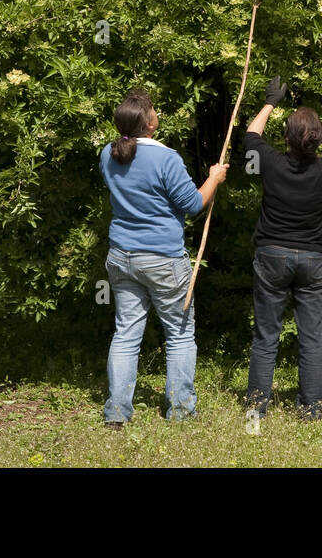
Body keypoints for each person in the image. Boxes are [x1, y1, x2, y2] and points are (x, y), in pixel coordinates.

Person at [98, 88, 228, 427]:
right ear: (149, 122)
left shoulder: (106, 155)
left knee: (126, 334)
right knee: (180, 334)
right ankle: (181, 411)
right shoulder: (166, 158)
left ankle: (116, 414)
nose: (158, 113)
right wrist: (213, 179)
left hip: (121, 257)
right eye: (154, 110)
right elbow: (194, 205)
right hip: (163, 258)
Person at [243, 76, 322, 420]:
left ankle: (256, 411)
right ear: (319, 141)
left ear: (286, 137)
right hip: (313, 259)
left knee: (266, 336)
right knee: (311, 337)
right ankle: (312, 411)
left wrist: (270, 102)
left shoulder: (270, 161)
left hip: (272, 256)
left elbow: (250, 137)